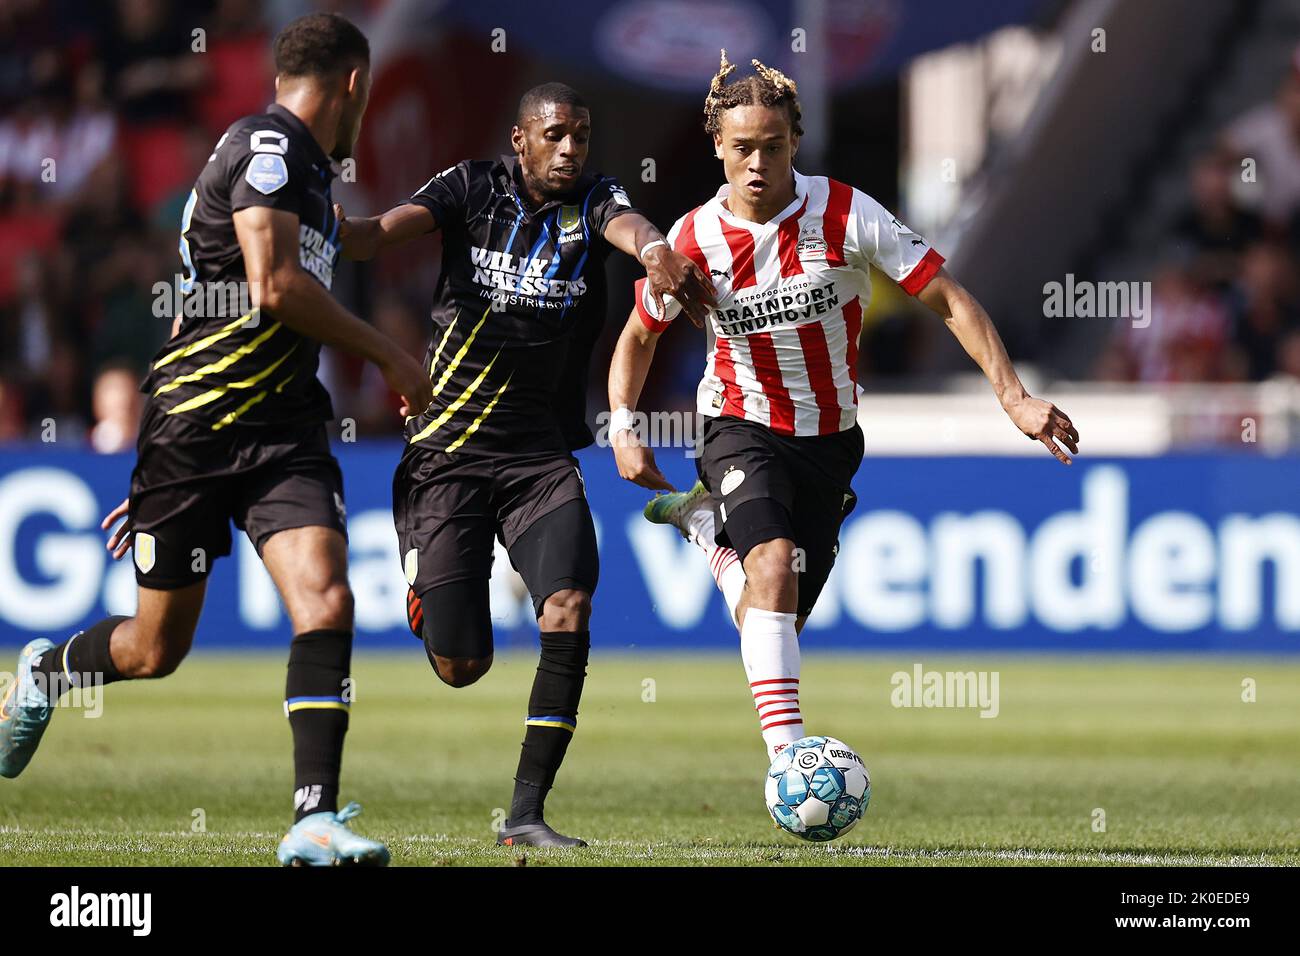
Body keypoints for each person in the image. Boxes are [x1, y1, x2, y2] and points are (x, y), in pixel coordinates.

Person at [0, 12, 432, 867]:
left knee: (327, 601)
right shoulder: (266, 150)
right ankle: (49, 675)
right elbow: (273, 287)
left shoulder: (309, 176)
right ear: (355, 83)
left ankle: (312, 819)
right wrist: (393, 356)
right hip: (193, 432)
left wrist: (466, 196)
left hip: (282, 435)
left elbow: (356, 237)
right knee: (154, 650)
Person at [608, 51, 1079, 761]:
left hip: (829, 439)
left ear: (795, 141)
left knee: (774, 616)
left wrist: (1012, 398)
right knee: (769, 568)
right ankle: (791, 767)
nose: (757, 164)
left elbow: (946, 297)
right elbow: (639, 336)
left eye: (772, 147)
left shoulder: (846, 211)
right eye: (742, 150)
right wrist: (623, 422)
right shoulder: (692, 240)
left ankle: (707, 531)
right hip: (738, 422)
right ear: (717, 147)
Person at [336, 81, 714, 847]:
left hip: (541, 460)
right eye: (554, 135)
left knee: (567, 607)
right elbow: (378, 234)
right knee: (461, 665)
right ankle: (428, 592)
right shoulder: (470, 188)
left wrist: (655, 251)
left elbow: (633, 228)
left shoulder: (597, 202)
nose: (570, 148)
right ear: (520, 140)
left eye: (580, 133)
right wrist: (330, 227)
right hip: (446, 454)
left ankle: (526, 815)